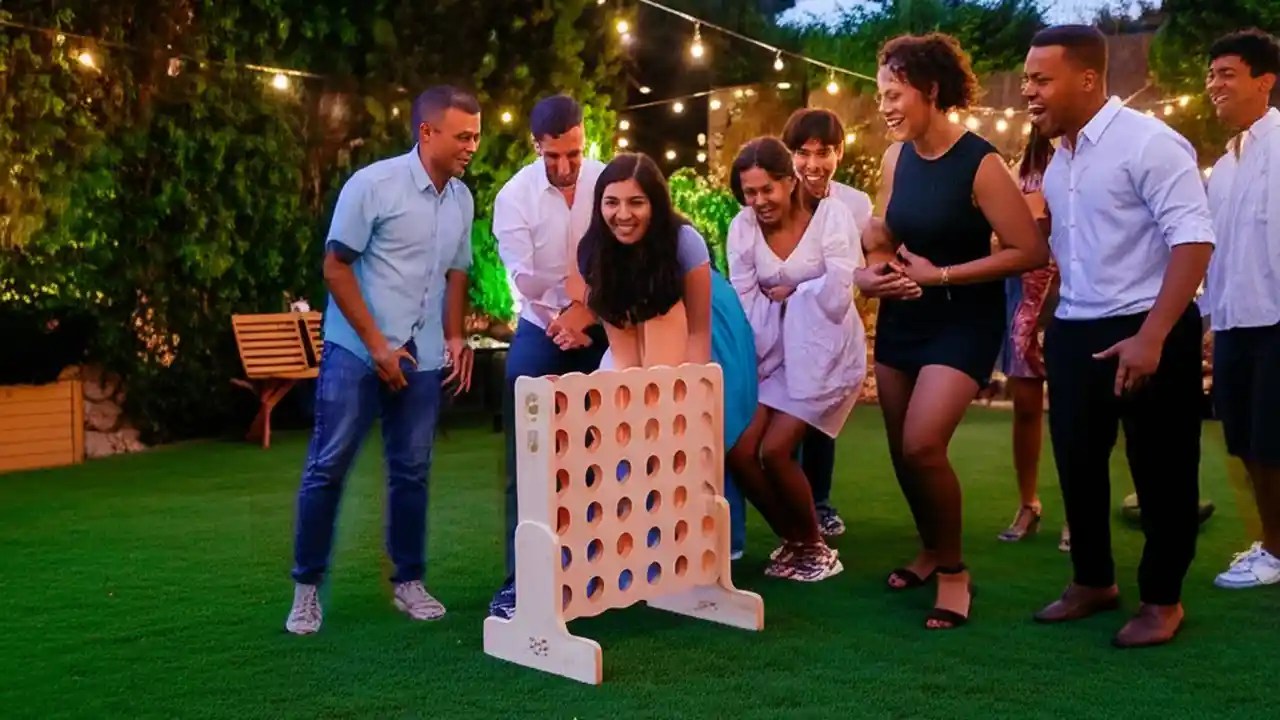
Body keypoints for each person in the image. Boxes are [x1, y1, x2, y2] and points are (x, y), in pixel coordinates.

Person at [1024, 25, 1215, 647]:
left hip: (1149, 326)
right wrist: (1048, 326)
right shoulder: (1060, 161)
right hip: (1077, 330)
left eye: (1040, 79)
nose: (1029, 91)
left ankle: (1162, 599)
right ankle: (1093, 582)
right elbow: (1070, 254)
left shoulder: (1151, 144)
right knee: (1078, 464)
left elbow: (1194, 240)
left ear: (1087, 79)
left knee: (1161, 469)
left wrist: (1153, 336)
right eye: (1026, 79)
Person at [285, 85, 479, 635]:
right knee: (328, 468)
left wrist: (456, 339)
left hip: (422, 358)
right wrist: (376, 347)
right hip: (356, 353)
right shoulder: (373, 186)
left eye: (476, 136)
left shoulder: (461, 199)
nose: (472, 145)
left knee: (412, 472)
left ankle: (409, 583)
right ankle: (306, 590)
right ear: (427, 132)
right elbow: (335, 267)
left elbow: (457, 271)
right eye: (463, 135)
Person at [870, 33, 1047, 630]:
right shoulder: (896, 158)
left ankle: (953, 572)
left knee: (923, 443)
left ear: (931, 90)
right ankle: (929, 548)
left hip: (962, 320)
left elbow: (1030, 250)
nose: (886, 106)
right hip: (904, 316)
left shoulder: (983, 163)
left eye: (894, 94)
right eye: (880, 96)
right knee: (901, 450)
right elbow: (881, 229)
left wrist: (942, 274)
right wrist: (876, 269)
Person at [562, 153, 758, 560]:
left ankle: (721, 540)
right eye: (612, 202)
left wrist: (695, 397)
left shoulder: (683, 241)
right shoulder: (594, 251)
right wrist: (633, 409)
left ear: (656, 203)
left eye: (637, 202)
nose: (623, 214)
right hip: (637, 314)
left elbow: (700, 331)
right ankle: (640, 531)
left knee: (703, 426)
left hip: (700, 314)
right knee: (631, 416)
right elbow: (623, 347)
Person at [488, 95, 609, 620]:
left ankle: (604, 567)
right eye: (553, 156)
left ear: (586, 138)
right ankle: (522, 580)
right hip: (542, 328)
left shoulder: (609, 182)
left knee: (606, 449)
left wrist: (588, 315)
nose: (564, 167)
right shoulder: (514, 197)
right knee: (529, 454)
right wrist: (562, 321)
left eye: (574, 155)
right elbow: (521, 277)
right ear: (536, 146)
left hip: (605, 325)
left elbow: (623, 255)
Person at [725, 136, 866, 582]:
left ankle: (816, 548)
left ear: (789, 181)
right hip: (772, 354)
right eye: (750, 192)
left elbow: (840, 293)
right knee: (741, 450)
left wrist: (792, 292)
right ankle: (795, 541)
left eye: (767, 188)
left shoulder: (831, 217)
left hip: (826, 351)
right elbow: (746, 301)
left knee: (776, 450)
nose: (759, 201)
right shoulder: (742, 228)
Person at [1201, 29, 1280, 590]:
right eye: (1210, 75)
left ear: (1265, 80)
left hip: (1276, 323)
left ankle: (1275, 552)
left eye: (1227, 73)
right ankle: (1273, 543)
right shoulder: (1224, 167)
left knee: (1271, 444)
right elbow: (1214, 250)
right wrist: (1209, 316)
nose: (1214, 85)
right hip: (1233, 323)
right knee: (1246, 443)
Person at [780, 108, 875, 538]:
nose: (813, 164)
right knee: (782, 419)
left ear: (840, 152)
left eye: (825, 153)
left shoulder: (856, 204)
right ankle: (787, 503)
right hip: (782, 325)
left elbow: (855, 270)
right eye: (803, 153)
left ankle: (819, 502)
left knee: (821, 420)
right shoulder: (776, 198)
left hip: (832, 325)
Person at [996, 127, 1066, 548]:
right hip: (1024, 293)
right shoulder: (1020, 170)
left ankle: (1078, 509)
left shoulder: (1088, 161)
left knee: (1072, 410)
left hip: (1071, 293)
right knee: (1025, 406)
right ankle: (1028, 503)